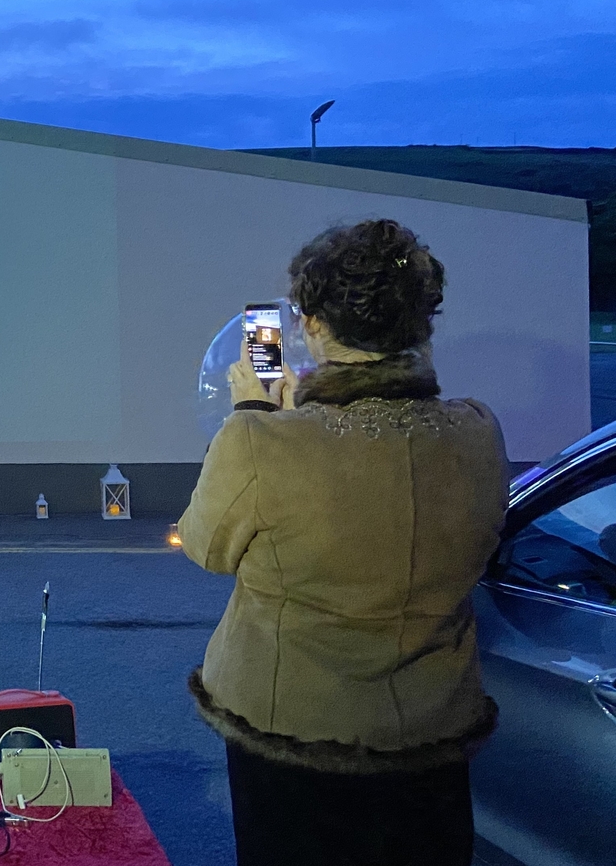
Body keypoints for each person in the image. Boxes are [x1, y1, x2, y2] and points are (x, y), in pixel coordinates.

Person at [177, 219, 509, 866]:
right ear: (421, 322)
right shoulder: (477, 432)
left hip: (291, 745)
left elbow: (205, 545)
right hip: (428, 741)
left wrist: (257, 416)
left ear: (314, 326)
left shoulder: (264, 442)